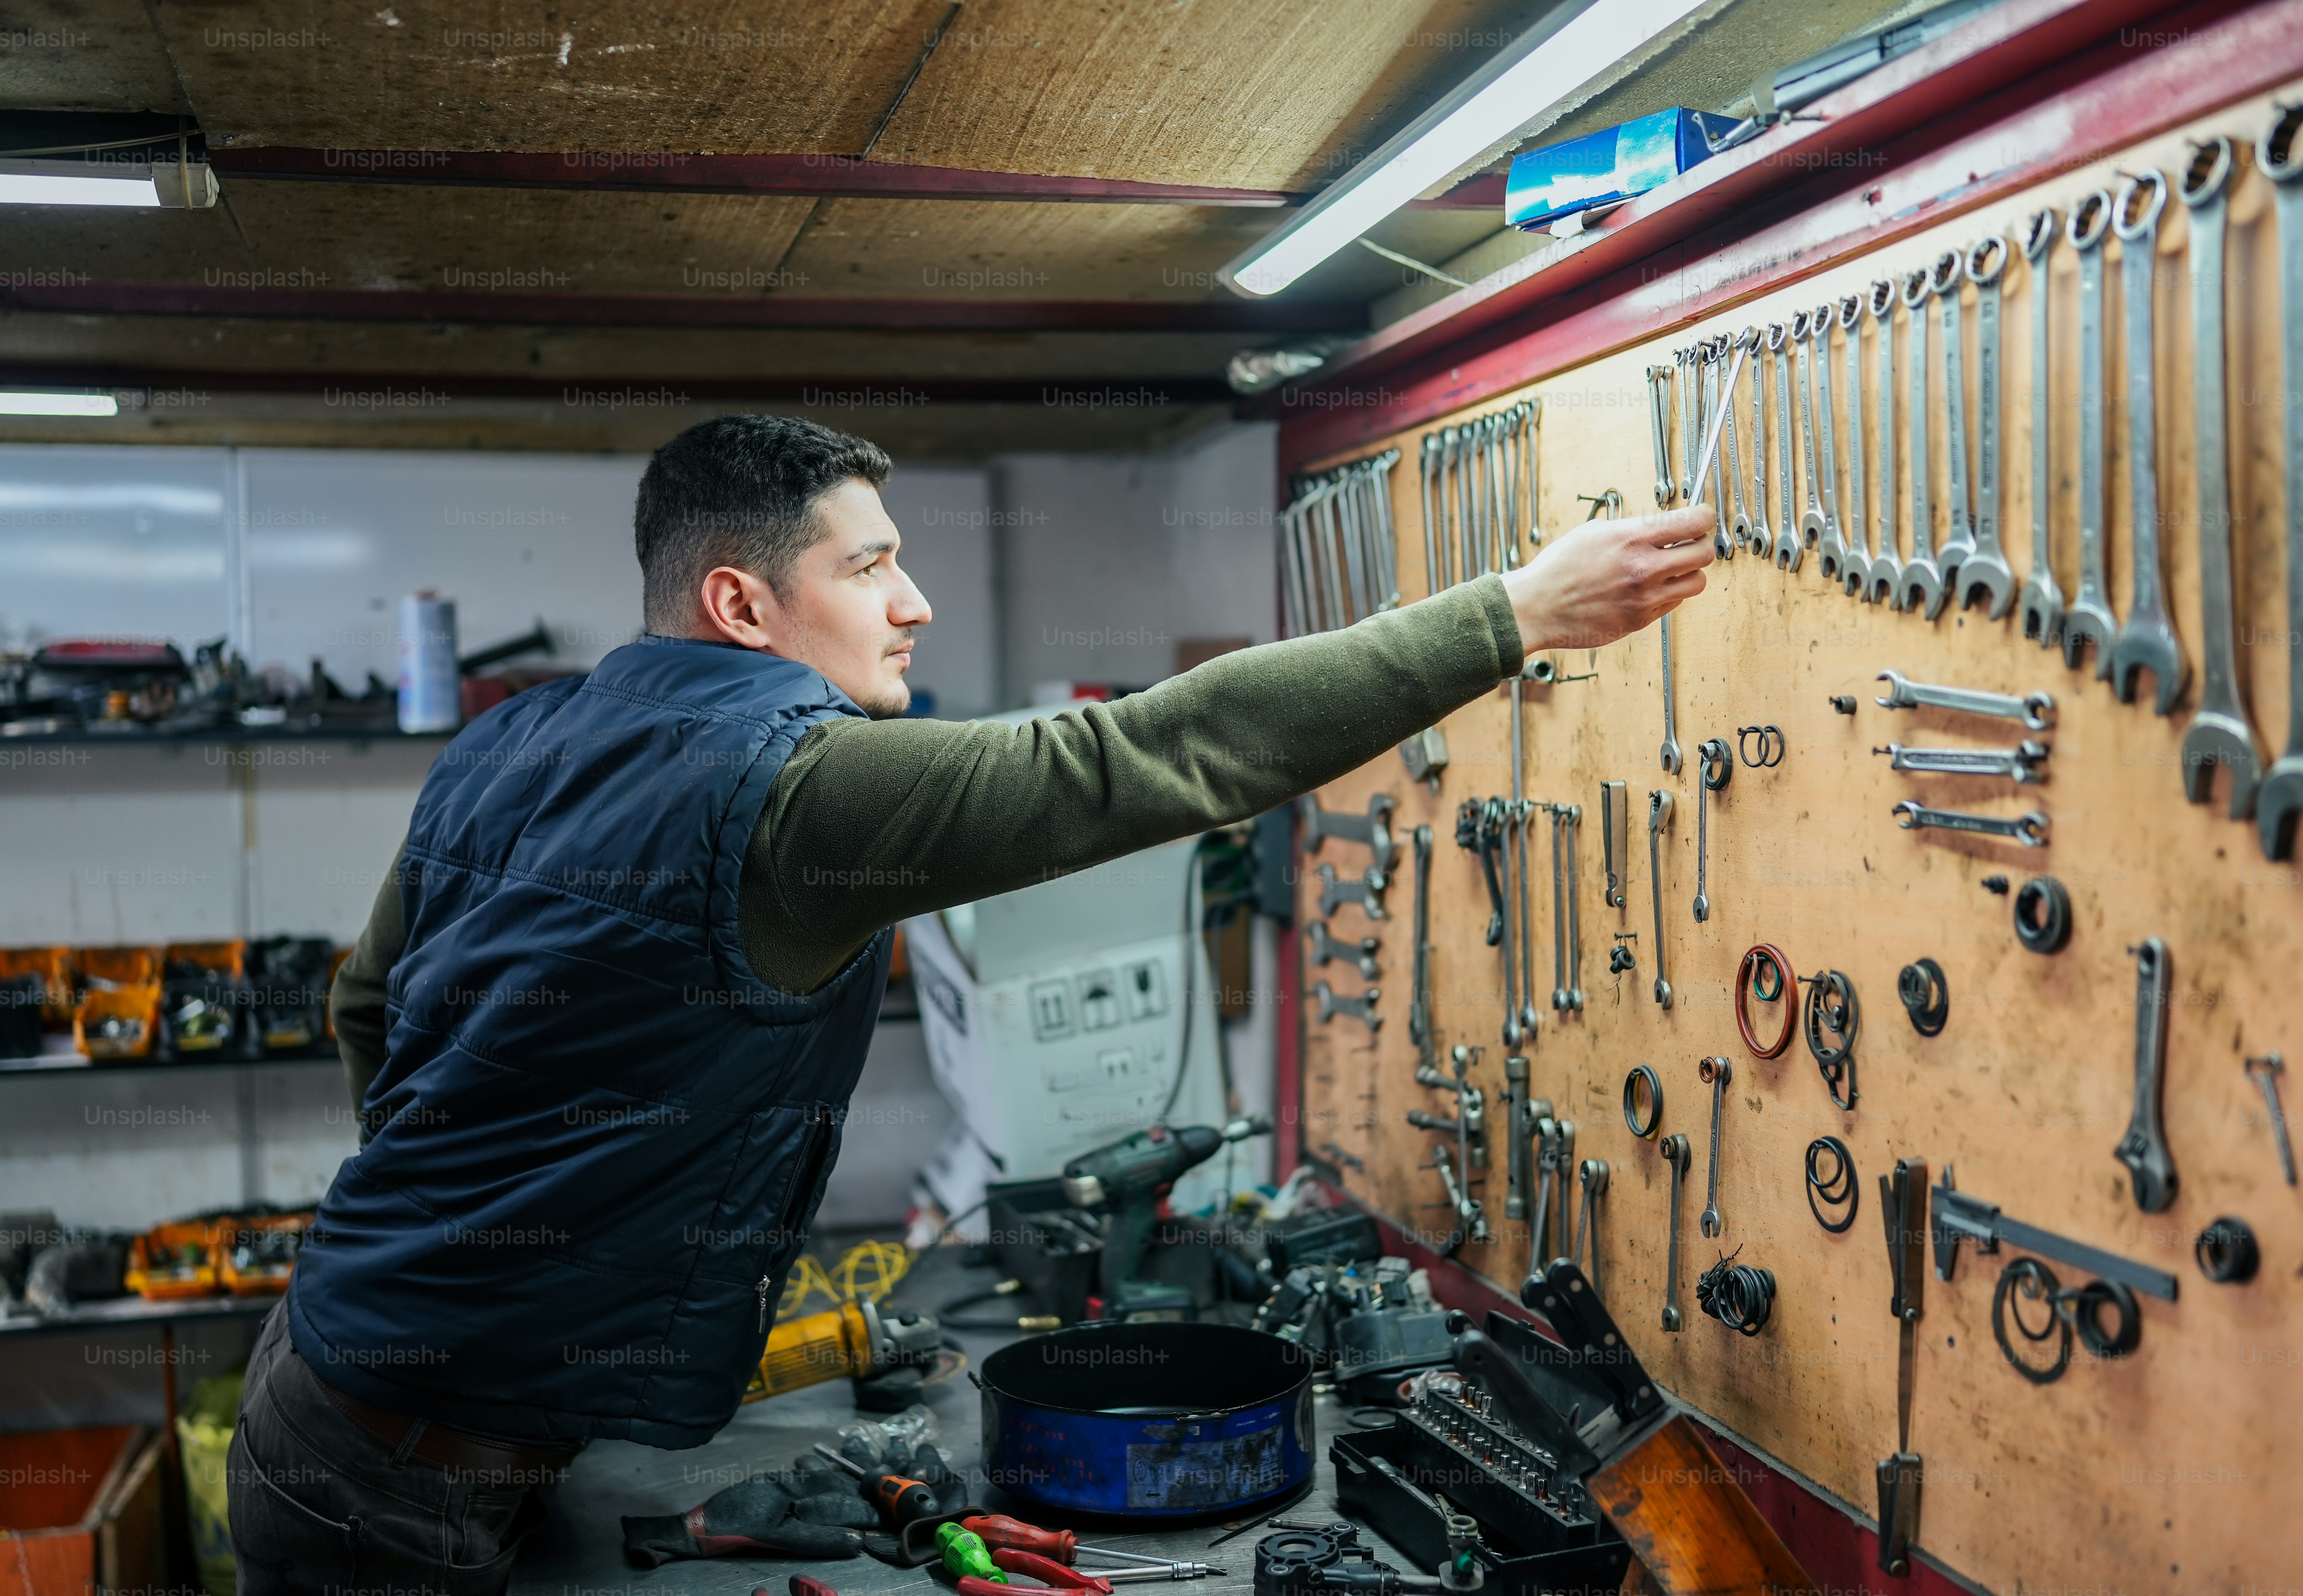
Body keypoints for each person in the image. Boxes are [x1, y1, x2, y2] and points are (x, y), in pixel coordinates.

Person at [229, 414, 1715, 1596]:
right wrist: (1512, 614)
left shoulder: (509, 742)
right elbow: (1139, 760)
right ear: (743, 600)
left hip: (330, 1375)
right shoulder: (795, 788)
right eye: (871, 567)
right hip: (399, 1475)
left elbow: (371, 1011)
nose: (916, 601)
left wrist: (487, 1258)